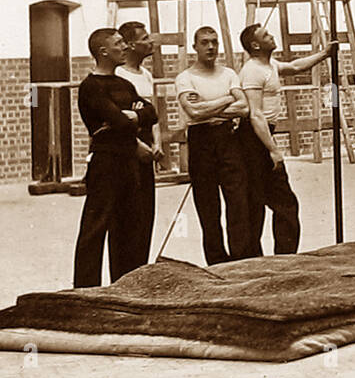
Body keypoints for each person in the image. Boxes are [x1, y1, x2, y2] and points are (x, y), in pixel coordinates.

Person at [237, 24, 336, 255]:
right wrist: (273, 150)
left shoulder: (268, 65)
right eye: (266, 36)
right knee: (277, 202)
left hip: (261, 135)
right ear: (255, 45)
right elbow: (255, 114)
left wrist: (325, 53)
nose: (272, 36)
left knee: (274, 202)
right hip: (253, 138)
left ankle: (281, 257)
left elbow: (294, 66)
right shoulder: (252, 71)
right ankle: (264, 259)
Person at [73, 27, 158, 288]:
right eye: (119, 43)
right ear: (103, 51)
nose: (124, 47)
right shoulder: (90, 87)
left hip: (129, 165)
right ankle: (86, 290)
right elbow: (117, 121)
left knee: (130, 226)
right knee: (95, 228)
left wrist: (134, 116)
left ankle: (126, 286)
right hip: (106, 164)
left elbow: (151, 113)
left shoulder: (124, 84)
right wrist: (131, 120)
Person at [173, 27, 253, 265]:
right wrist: (228, 98)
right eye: (205, 43)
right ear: (195, 47)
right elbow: (194, 112)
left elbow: (245, 108)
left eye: (214, 42)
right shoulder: (186, 78)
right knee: (208, 206)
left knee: (238, 200)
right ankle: (217, 261)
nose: (210, 47)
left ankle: (241, 259)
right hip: (200, 141)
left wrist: (210, 105)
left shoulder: (228, 74)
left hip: (227, 139)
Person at [114, 21, 160, 274]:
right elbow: (119, 120)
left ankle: (140, 270)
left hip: (146, 146)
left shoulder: (146, 75)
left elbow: (151, 114)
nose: (150, 41)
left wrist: (158, 142)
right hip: (129, 148)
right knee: (128, 216)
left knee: (145, 214)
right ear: (131, 45)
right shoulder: (120, 76)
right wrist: (136, 145)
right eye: (145, 38)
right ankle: (124, 273)